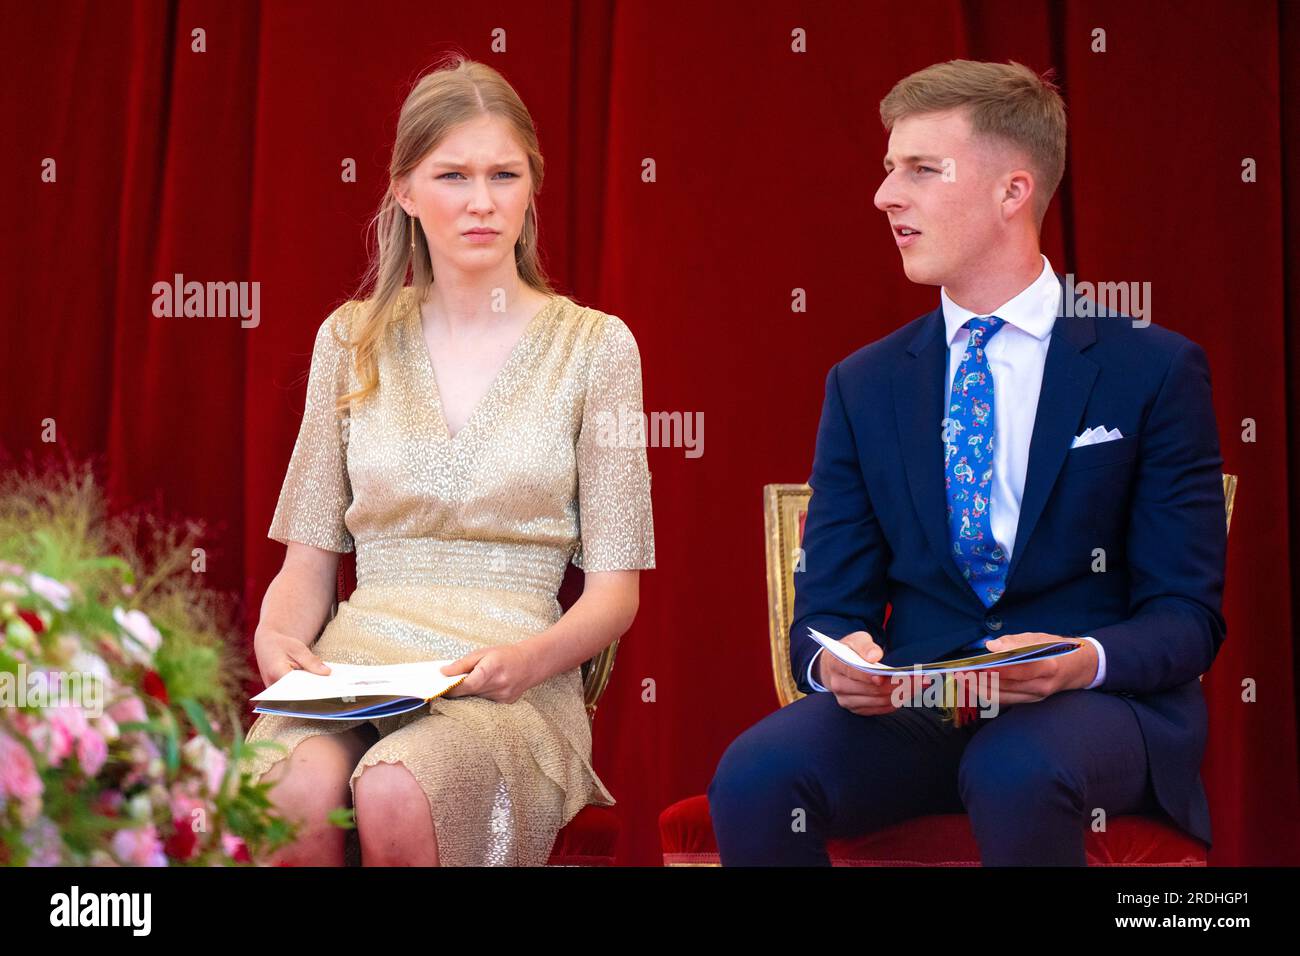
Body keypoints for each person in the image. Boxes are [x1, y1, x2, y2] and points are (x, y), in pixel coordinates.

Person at [708, 59, 1227, 865]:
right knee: (755, 774)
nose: (886, 196)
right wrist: (833, 664)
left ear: (1012, 192)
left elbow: (1187, 619)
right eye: (888, 170)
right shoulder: (863, 384)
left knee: (1015, 767)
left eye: (920, 169)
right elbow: (824, 614)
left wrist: (1073, 660)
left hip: (1098, 706)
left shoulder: (1152, 369)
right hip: (921, 706)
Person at [241, 55, 655, 867]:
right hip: (355, 665)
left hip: (512, 680)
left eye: (504, 175)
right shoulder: (349, 339)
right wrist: (276, 633)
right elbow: (306, 567)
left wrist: (525, 662)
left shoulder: (596, 347)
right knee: (288, 791)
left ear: (532, 185)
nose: (481, 202)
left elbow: (615, 595)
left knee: (399, 784)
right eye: (453, 175)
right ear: (403, 190)